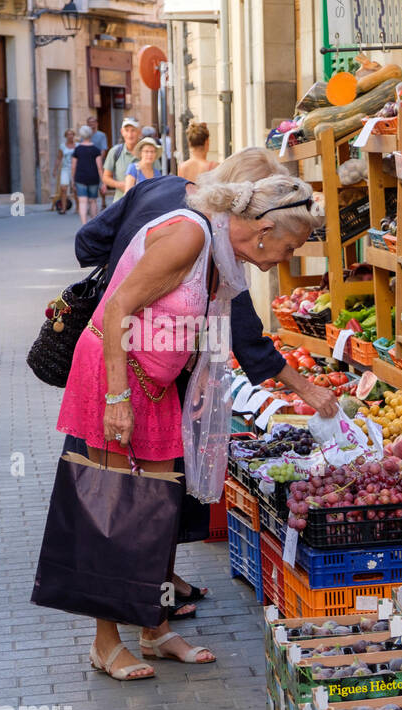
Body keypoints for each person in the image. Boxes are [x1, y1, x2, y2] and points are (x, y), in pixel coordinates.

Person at [52, 154, 323, 680]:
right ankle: (104, 642)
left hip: (154, 384)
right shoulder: (190, 236)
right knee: (118, 512)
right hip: (117, 376)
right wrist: (115, 398)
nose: (283, 261)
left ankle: (152, 629)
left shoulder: (221, 249)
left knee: (155, 512)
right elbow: (116, 309)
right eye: (288, 248)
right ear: (264, 230)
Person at [70, 126, 106, 225]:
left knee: (82, 202)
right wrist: (103, 181)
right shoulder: (96, 150)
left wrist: (72, 180)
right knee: (93, 201)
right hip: (93, 178)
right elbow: (99, 167)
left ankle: (84, 225)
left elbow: (73, 166)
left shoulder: (77, 150)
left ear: (81, 135)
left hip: (80, 178)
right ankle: (93, 226)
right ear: (91, 135)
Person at [101, 116, 141, 203]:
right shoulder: (115, 152)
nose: (130, 135)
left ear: (139, 132)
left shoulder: (147, 151)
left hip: (143, 203)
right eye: (127, 130)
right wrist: (120, 185)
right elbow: (106, 177)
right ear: (122, 132)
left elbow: (157, 177)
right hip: (121, 202)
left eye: (133, 130)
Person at [53, 128, 76, 214]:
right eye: (68, 134)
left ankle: (78, 208)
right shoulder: (62, 146)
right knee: (63, 188)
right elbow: (59, 158)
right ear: (66, 136)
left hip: (75, 169)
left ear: (74, 135)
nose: (70, 136)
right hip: (65, 169)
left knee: (75, 189)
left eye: (71, 134)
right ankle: (63, 208)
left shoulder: (77, 145)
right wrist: (55, 169)